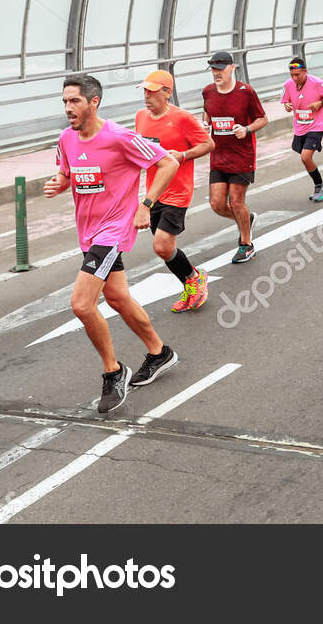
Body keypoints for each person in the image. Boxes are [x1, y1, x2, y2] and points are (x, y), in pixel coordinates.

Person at [45, 74, 180, 415]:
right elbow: (67, 172)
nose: (67, 108)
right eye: (64, 102)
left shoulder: (120, 137)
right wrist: (59, 184)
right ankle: (159, 352)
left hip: (112, 232)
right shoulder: (65, 139)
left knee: (81, 304)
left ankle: (113, 371)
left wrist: (145, 204)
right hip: (88, 233)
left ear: (94, 102)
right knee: (118, 297)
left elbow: (168, 162)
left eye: (74, 101)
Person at [134, 71, 214, 313]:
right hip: (154, 192)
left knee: (161, 245)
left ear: (167, 92)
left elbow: (209, 144)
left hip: (178, 192)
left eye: (152, 91)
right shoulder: (140, 117)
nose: (147, 96)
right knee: (165, 249)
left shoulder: (183, 118)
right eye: (145, 91)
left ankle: (193, 280)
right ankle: (192, 280)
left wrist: (183, 155)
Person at [201, 51, 266, 264]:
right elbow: (207, 113)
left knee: (237, 201)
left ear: (232, 67)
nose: (216, 73)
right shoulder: (208, 92)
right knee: (217, 204)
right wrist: (205, 124)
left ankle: (246, 245)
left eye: (220, 68)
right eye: (213, 69)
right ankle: (247, 219)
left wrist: (246, 129)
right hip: (218, 156)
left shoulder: (246, 92)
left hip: (242, 156)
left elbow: (262, 119)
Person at [281, 57, 323, 199]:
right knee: (303, 156)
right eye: (292, 75)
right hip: (299, 126)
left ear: (305, 71)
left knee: (305, 157)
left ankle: (319, 186)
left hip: (316, 126)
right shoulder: (288, 84)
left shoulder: (316, 82)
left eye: (297, 75)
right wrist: (286, 105)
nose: (294, 78)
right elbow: (285, 100)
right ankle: (320, 184)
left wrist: (320, 103)